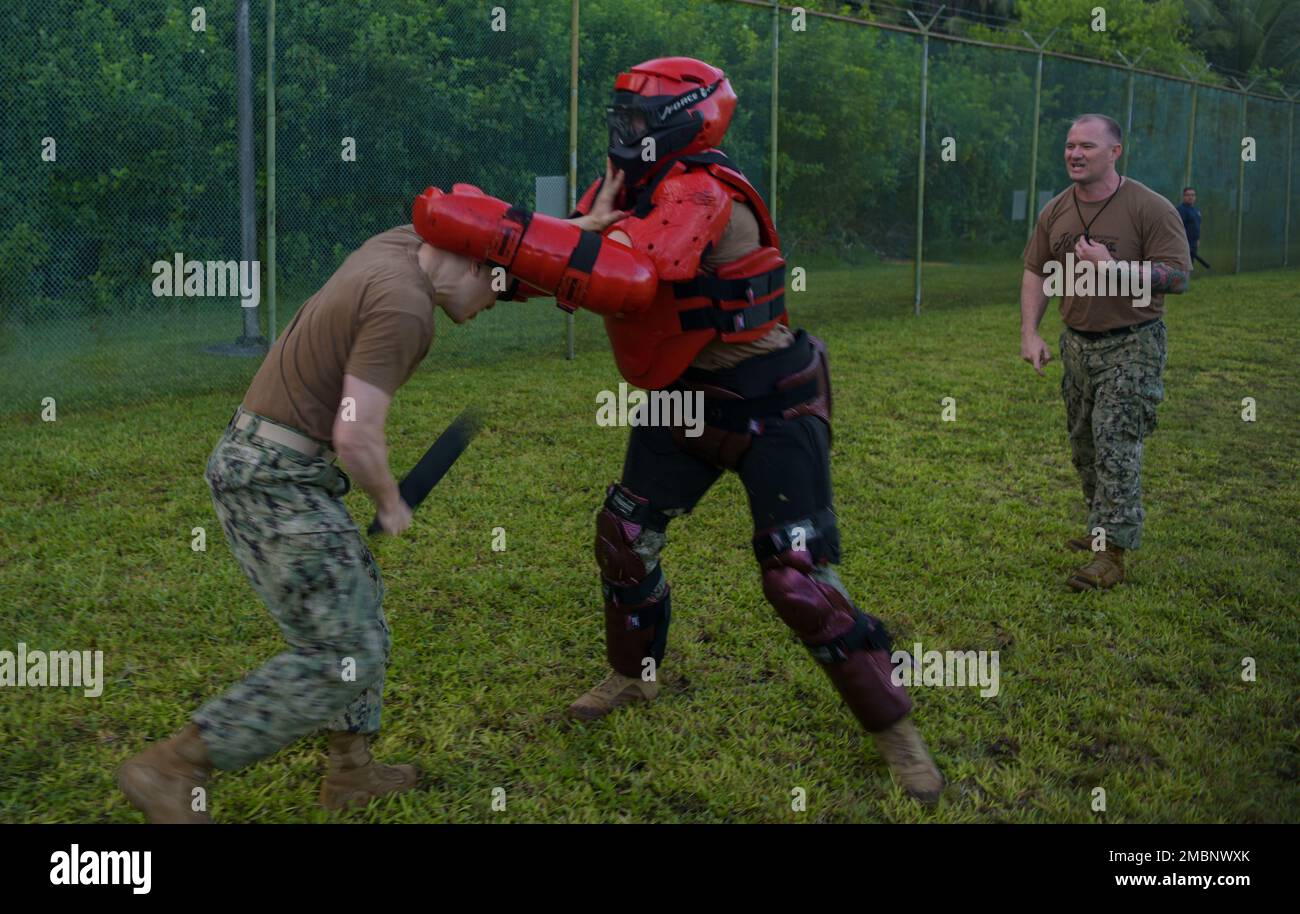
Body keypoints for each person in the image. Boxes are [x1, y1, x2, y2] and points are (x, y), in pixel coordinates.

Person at [414, 57, 943, 804]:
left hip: (772, 399)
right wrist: (488, 262)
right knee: (624, 538)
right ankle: (634, 675)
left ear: (685, 120)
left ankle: (897, 734)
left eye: (636, 118)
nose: (623, 130)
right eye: (620, 116)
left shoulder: (703, 191)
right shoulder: (622, 189)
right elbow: (564, 264)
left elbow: (631, 277)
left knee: (798, 580)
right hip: (682, 397)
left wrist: (504, 231)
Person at [117, 203, 624, 823]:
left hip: (277, 466)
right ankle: (174, 766)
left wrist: (577, 228)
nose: (499, 301)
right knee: (341, 649)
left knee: (361, 614)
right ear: (476, 261)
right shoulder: (406, 308)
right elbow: (356, 436)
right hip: (272, 481)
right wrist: (390, 501)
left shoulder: (402, 243)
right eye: (500, 287)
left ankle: (351, 771)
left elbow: (498, 226)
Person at [1019, 114, 1190, 592]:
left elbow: (1178, 277)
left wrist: (1114, 268)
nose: (1075, 154)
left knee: (1116, 444)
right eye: (1070, 145)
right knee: (1085, 446)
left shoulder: (1150, 208)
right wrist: (1030, 332)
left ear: (1115, 152)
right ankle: (1100, 531)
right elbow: (1037, 270)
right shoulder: (1056, 210)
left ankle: (1111, 554)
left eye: (1087, 146)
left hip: (1131, 343)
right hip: (1077, 344)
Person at [1176, 186, 1210, 269]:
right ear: (1183, 196)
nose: (1190, 197)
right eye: (1188, 195)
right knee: (1182, 266)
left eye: (1192, 195)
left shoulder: (1196, 210)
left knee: (1189, 265)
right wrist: (1182, 242)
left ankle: (1186, 278)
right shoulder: (1181, 210)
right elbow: (1177, 227)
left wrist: (1197, 239)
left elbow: (1197, 225)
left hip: (1193, 243)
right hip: (1184, 243)